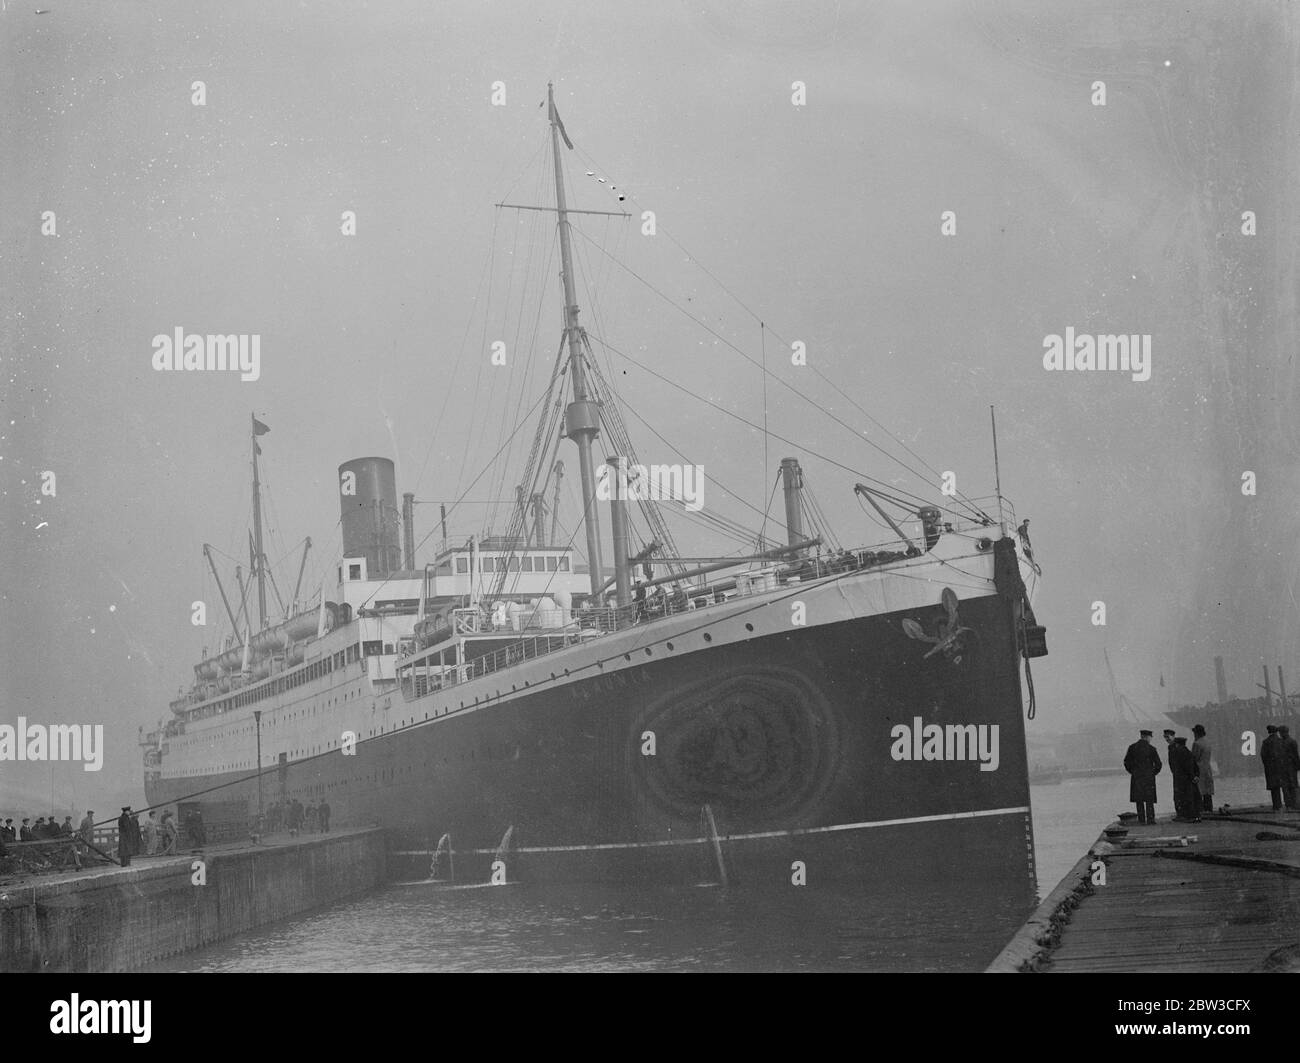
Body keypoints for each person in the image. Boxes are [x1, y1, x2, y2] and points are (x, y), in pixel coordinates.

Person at [1123, 729, 1162, 825]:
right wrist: (1153, 773)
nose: (1150, 739)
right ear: (1147, 737)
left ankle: (1141, 819)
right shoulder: (1152, 749)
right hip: (1149, 777)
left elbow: (1126, 762)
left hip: (1137, 777)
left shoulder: (1132, 747)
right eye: (1150, 737)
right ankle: (1151, 819)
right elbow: (1159, 764)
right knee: (1149, 799)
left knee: (1139, 799)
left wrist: (1133, 772)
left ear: (1141, 736)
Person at [1170, 737, 1200, 822]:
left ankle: (1186, 816)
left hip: (1182, 780)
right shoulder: (1189, 753)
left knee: (1182, 798)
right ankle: (1194, 815)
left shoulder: (1177, 753)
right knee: (1191, 797)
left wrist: (1191, 776)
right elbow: (1195, 766)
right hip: (1190, 779)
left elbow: (1185, 767)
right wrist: (1196, 776)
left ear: (1177, 744)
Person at [1262, 725, 1287, 811]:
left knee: (1274, 788)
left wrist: (1268, 765)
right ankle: (1288, 804)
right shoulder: (1281, 741)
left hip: (1271, 769)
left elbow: (1263, 756)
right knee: (1284, 786)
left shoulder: (1266, 742)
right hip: (1281, 768)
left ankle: (1276, 806)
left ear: (1269, 732)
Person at [1191, 725, 1214, 814]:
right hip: (1207, 767)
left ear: (1197, 733)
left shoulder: (1196, 743)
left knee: (1198, 790)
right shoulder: (1208, 742)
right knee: (1207, 790)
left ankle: (1200, 809)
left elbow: (1194, 757)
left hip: (1199, 768)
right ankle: (1209, 808)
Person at [1280, 725, 1300, 811]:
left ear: (1283, 732)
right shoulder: (1293, 741)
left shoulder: (1280, 742)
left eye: (1280, 732)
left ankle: (1289, 805)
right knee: (1293, 785)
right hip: (1292, 767)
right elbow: (1296, 756)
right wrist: (1298, 766)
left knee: (1285, 787)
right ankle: (1295, 804)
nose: (1280, 734)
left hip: (1284, 767)